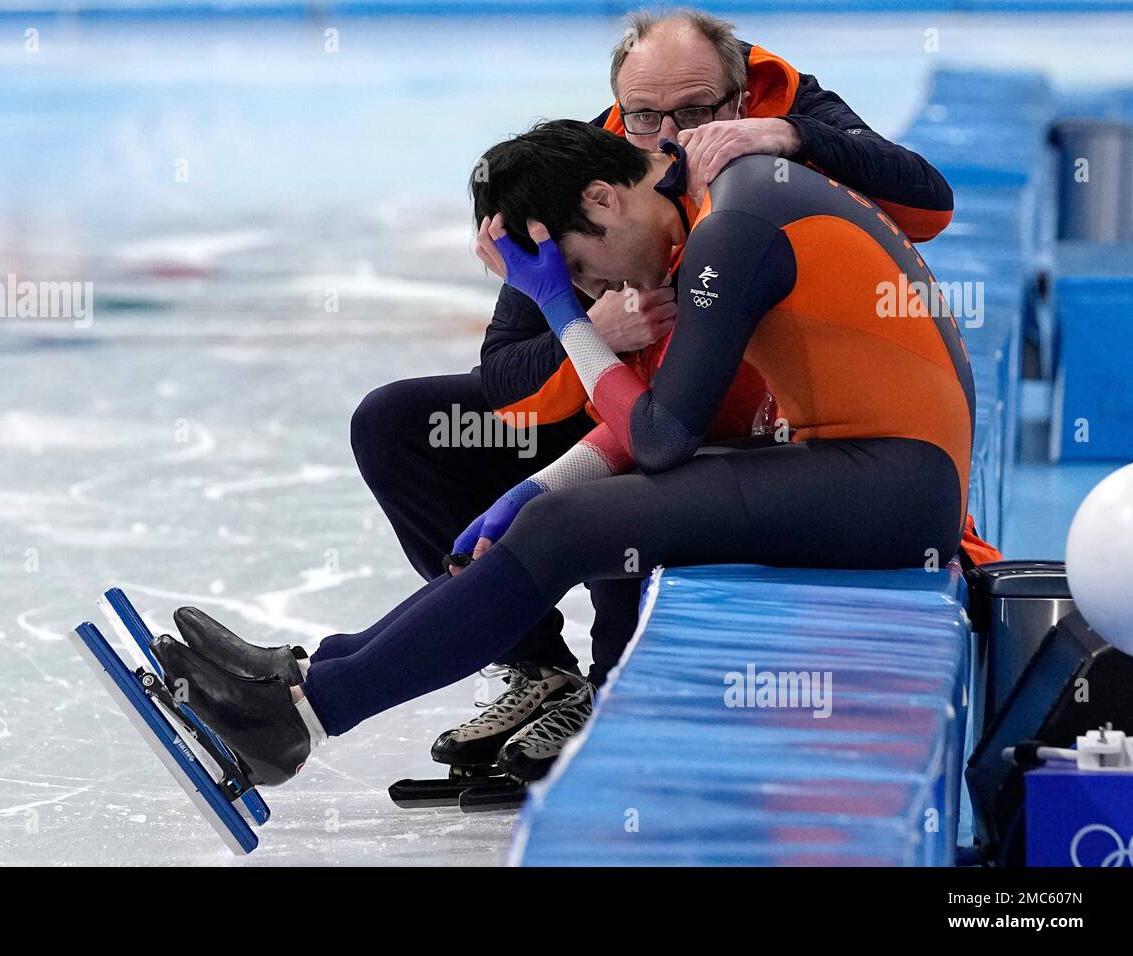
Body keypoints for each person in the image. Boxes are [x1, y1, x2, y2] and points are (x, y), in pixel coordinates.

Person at [152, 118, 975, 789]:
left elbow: (659, 438)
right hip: (869, 470)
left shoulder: (732, 230)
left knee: (564, 531)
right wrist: (528, 490)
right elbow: (658, 425)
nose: (592, 290)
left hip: (893, 486)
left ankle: (299, 721)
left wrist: (563, 317)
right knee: (549, 518)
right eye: (572, 284)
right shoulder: (713, 211)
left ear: (603, 198)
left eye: (579, 267)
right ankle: (305, 681)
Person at [349, 8, 959, 782]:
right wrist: (586, 325)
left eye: (697, 112)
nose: (668, 136)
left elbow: (931, 203)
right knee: (404, 425)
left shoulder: (762, 158)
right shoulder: (589, 169)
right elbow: (503, 372)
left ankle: (607, 690)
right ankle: (539, 673)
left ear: (741, 102)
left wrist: (793, 139)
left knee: (632, 484)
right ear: (619, 115)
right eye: (644, 115)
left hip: (749, 423)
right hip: (644, 405)